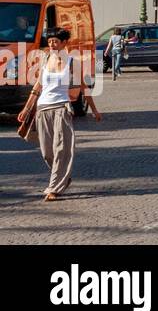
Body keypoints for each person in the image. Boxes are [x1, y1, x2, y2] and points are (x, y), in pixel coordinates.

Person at [16, 28, 102, 201]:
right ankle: (63, 177)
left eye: (55, 41)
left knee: (61, 149)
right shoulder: (45, 60)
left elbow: (84, 89)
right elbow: (38, 86)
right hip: (42, 109)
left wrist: (94, 109)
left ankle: (54, 188)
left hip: (62, 108)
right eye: (49, 42)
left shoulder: (72, 63)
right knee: (47, 152)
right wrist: (26, 108)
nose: (52, 45)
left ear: (64, 43)